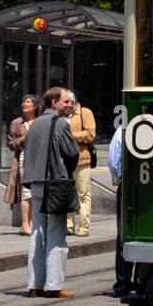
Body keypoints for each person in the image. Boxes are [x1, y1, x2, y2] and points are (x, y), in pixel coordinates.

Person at [23, 87, 80, 298]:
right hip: (55, 183)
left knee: (37, 233)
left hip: (36, 183)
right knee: (56, 234)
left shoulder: (35, 123)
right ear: (54, 102)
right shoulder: (60, 123)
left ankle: (34, 285)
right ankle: (54, 286)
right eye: (65, 102)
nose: (69, 105)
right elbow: (72, 153)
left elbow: (28, 151)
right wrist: (67, 172)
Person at [3, 95, 42, 234]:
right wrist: (22, 139)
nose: (24, 104)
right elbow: (10, 143)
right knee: (26, 192)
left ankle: (33, 223)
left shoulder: (40, 121)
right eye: (23, 102)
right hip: (24, 156)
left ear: (36, 106)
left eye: (28, 102)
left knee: (36, 191)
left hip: (40, 158)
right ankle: (25, 224)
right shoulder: (16, 122)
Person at [105, 124, 131, 298]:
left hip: (129, 186)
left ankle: (123, 284)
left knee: (124, 235)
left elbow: (113, 163)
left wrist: (123, 176)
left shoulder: (124, 129)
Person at [64, 91, 95, 237]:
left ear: (73, 102)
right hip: (63, 161)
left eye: (67, 101)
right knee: (67, 194)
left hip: (81, 159)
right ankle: (68, 226)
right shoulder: (61, 114)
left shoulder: (84, 112)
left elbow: (90, 134)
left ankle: (84, 226)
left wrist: (70, 136)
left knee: (83, 194)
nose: (65, 104)